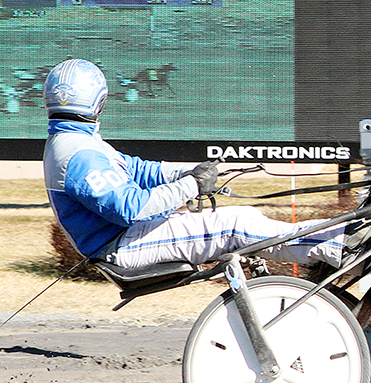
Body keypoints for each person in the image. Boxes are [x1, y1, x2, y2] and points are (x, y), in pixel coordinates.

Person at [42, 58, 343, 271]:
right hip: (122, 246)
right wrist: (192, 186)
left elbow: (135, 169)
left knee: (244, 217)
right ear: (99, 102)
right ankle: (334, 245)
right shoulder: (77, 153)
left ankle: (326, 238)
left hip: (127, 237)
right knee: (235, 226)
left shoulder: (76, 142)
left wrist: (185, 173)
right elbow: (130, 209)